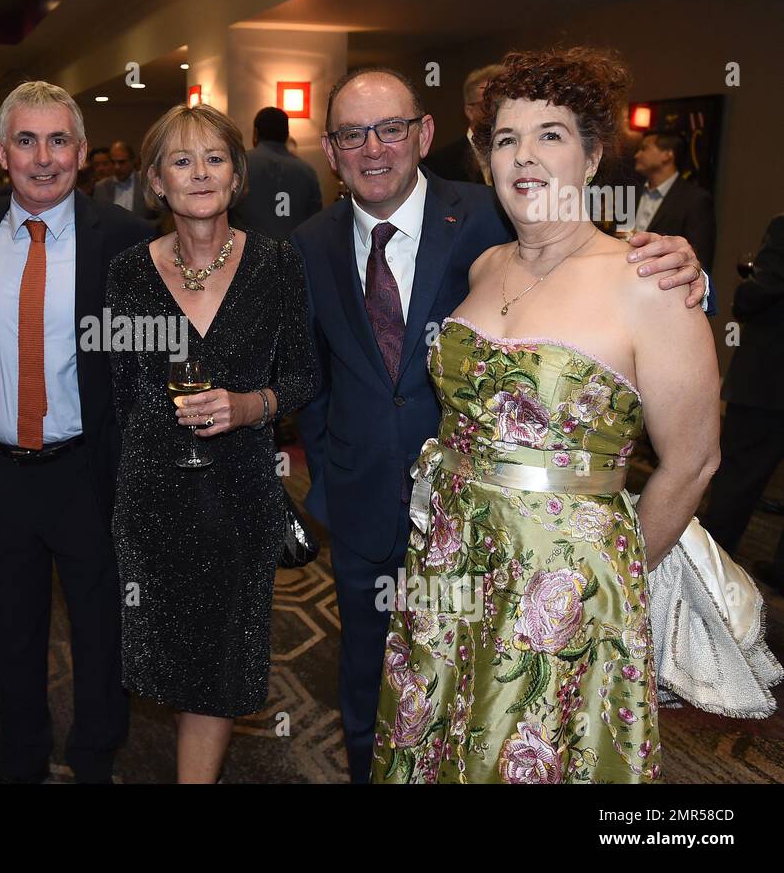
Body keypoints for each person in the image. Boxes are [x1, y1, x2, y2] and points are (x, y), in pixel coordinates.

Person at [293, 65, 707, 783]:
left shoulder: (645, 278)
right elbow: (314, 374)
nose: (526, 157)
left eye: (550, 135)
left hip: (560, 587)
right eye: (507, 139)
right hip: (438, 554)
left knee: (528, 749)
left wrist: (611, 580)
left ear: (593, 152)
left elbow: (694, 462)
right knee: (421, 723)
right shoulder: (485, 261)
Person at [106, 103, 317, 782]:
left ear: (237, 174)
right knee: (166, 665)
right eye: (181, 160)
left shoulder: (277, 264)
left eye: (215, 158)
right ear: (156, 184)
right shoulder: (128, 274)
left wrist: (252, 405)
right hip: (153, 504)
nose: (200, 173)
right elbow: (121, 395)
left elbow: (308, 376)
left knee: (221, 673)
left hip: (239, 500)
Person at [0, 81, 148, 783]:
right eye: (27, 140)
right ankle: (21, 756)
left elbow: (148, 368)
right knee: (9, 630)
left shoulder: (128, 240)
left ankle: (97, 755)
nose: (44, 158)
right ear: (1, 153)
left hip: (90, 468)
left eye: (59, 140)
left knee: (103, 626)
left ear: (82, 152)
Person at [702, 213, 784, 593]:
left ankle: (710, 571)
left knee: (736, 479)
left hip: (770, 379)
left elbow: (758, 293)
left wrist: (743, 293)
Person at [232, 106, 323, 241]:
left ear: (255, 133)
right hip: (295, 254)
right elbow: (315, 222)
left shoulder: (241, 164)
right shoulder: (307, 172)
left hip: (248, 253)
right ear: (287, 134)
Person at [632, 129, 716, 269]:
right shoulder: (632, 192)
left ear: (667, 155)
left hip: (665, 284)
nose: (637, 155)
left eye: (644, 149)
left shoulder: (695, 200)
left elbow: (699, 260)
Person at [425, 64, 505, 185]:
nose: (496, 111)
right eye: (487, 105)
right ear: (469, 111)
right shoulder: (438, 165)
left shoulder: (515, 154)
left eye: (501, 104)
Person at [93, 140, 153, 220]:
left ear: (132, 161)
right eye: (113, 162)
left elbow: (160, 216)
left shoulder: (146, 182)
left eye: (122, 162)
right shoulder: (101, 187)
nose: (117, 167)